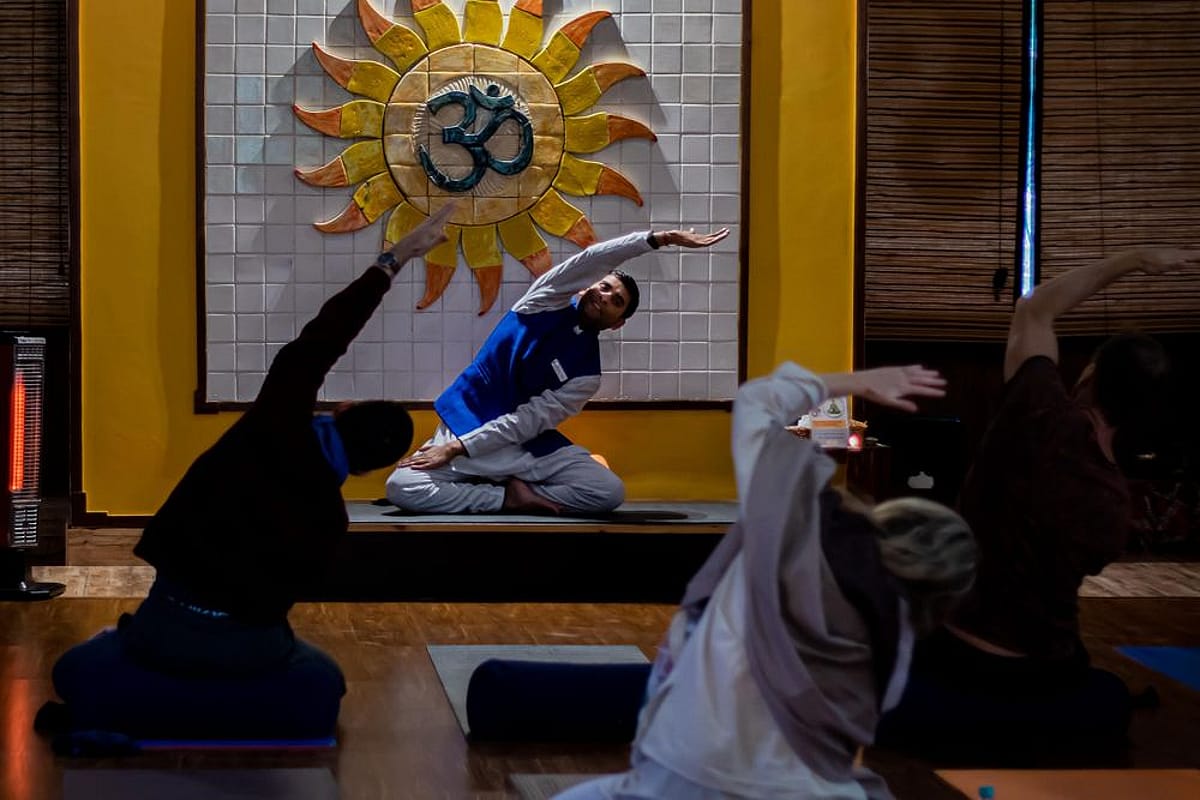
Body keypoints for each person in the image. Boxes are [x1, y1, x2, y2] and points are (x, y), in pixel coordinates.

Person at [42, 203, 458, 745]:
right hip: (250, 650)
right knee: (324, 683)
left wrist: (394, 258)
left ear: (343, 409)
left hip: (163, 631)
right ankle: (225, 705)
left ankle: (142, 694)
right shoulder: (329, 520)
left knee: (74, 670)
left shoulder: (275, 419)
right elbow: (278, 603)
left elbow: (324, 336)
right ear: (367, 470)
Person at [554, 361, 977, 799]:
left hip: (678, 767)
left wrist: (855, 383)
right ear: (940, 601)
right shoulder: (894, 648)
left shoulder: (789, 529)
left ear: (891, 515)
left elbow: (757, 401)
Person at [877, 247, 1200, 761]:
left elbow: (1034, 308)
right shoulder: (1115, 506)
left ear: (1089, 375)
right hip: (1040, 674)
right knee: (1108, 698)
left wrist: (1133, 259)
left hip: (952, 654)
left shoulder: (1035, 405)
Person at [386, 226, 729, 515]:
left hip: (522, 445)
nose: (606, 296)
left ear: (617, 323)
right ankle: (506, 498)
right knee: (403, 486)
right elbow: (592, 259)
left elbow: (527, 422)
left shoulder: (588, 376)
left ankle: (519, 488)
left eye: (617, 301)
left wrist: (458, 450)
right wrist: (659, 239)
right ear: (586, 285)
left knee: (608, 491)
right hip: (467, 424)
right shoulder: (541, 302)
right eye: (605, 286)